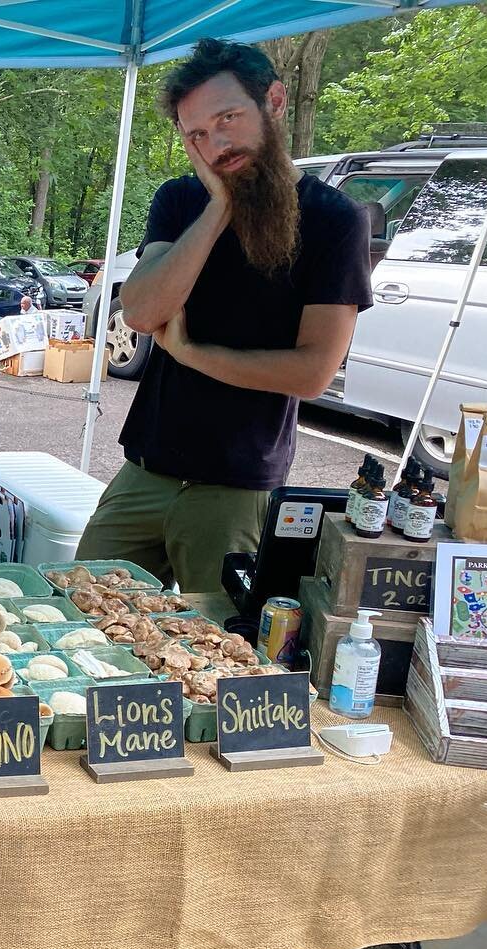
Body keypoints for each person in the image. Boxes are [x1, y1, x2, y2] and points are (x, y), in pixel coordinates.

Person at [75, 38, 372, 593]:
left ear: (275, 102)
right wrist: (220, 206)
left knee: (214, 650)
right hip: (145, 469)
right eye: (197, 135)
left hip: (237, 487)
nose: (216, 143)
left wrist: (192, 354)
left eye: (228, 118)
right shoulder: (183, 200)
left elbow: (313, 373)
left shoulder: (335, 221)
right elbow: (139, 311)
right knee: (74, 613)